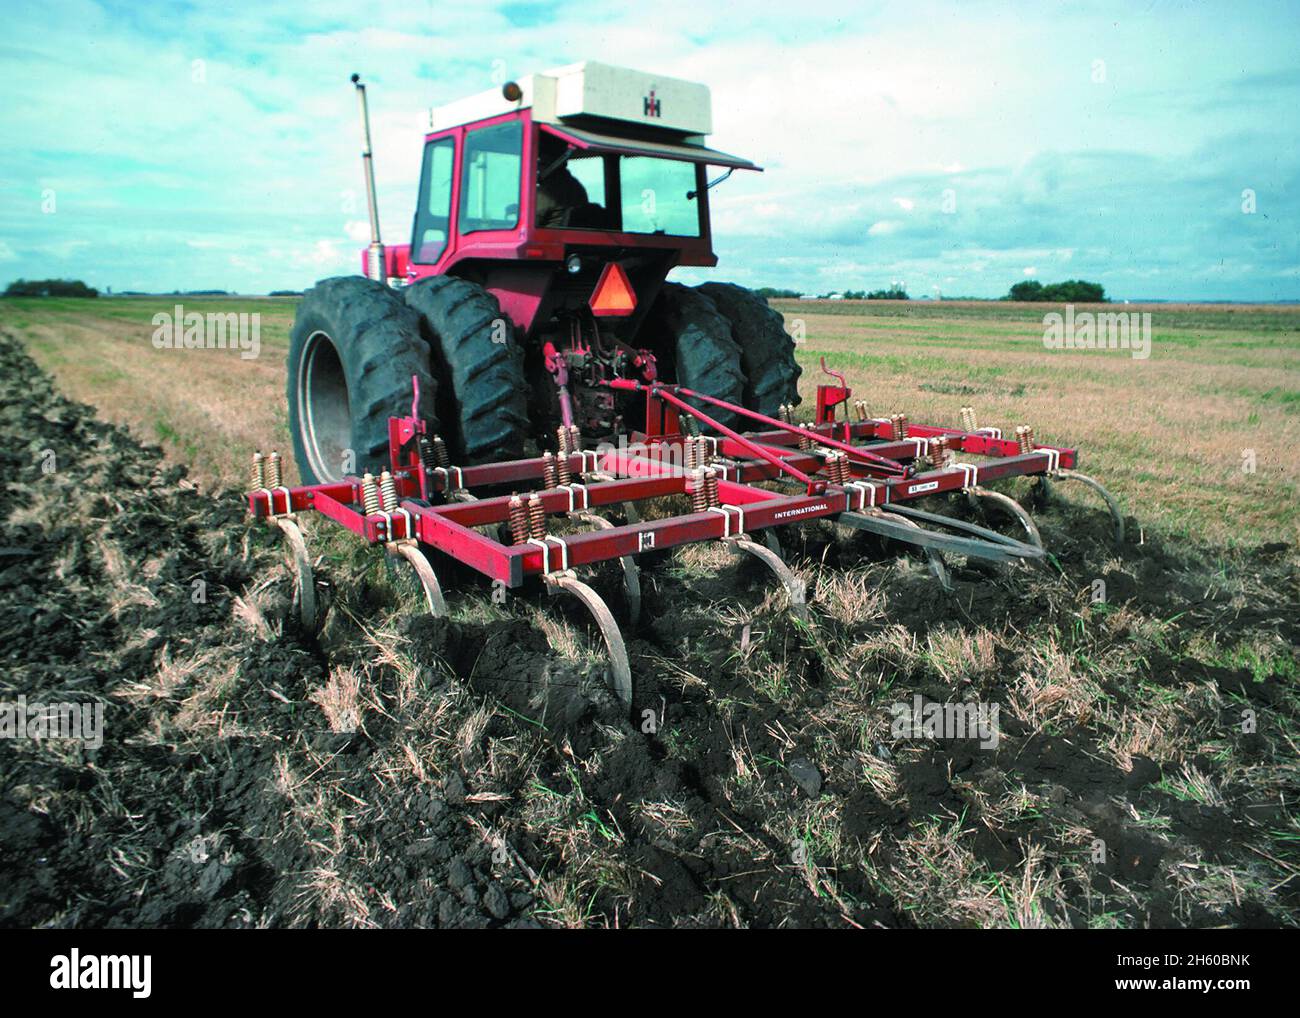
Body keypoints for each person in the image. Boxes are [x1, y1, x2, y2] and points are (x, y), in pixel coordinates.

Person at [535, 135, 590, 228]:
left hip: (548, 239)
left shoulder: (549, 190)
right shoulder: (575, 186)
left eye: (541, 162)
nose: (537, 167)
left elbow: (532, 221)